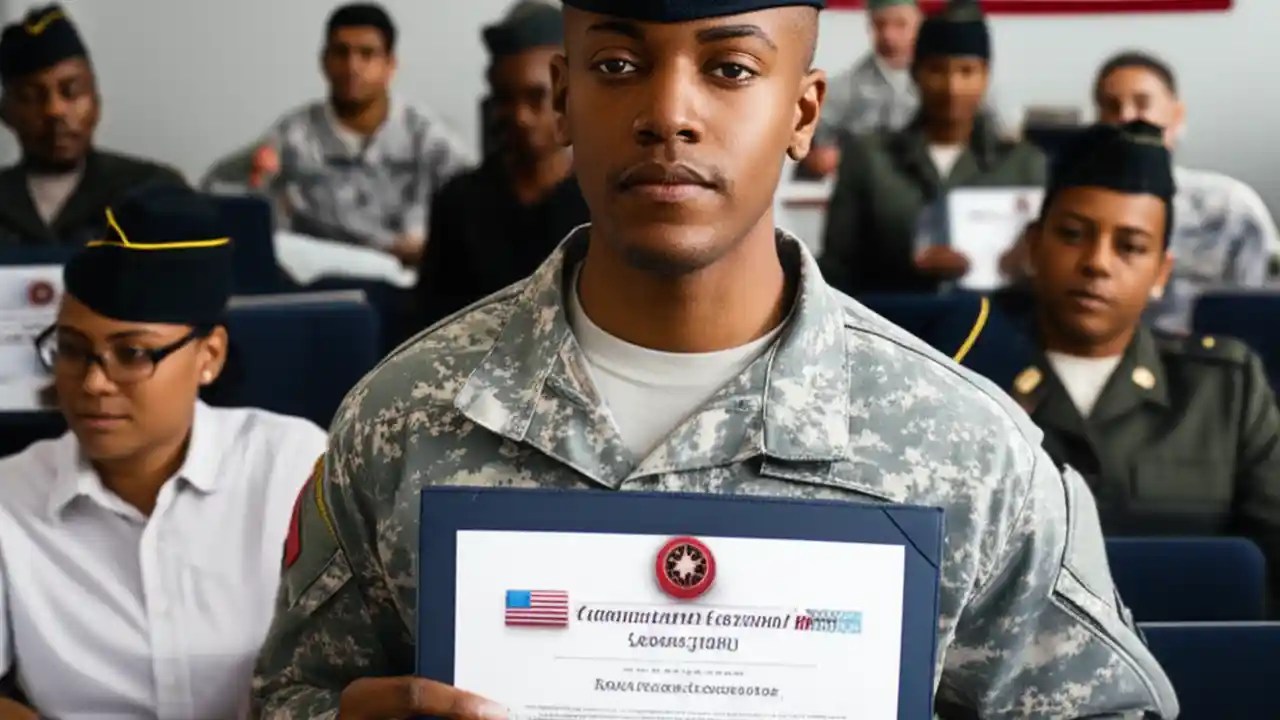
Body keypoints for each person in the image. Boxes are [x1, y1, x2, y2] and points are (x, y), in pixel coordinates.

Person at [252, 1, 1176, 718]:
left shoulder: (970, 451)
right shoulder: (403, 417)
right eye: (618, 66)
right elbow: (287, 693)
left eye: (730, 68)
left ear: (804, 111)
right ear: (563, 93)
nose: (668, 115)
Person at [0, 186, 327, 718]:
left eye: (131, 354)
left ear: (210, 356)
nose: (93, 382)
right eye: (72, 350)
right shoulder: (11, 498)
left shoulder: (290, 468)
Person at [983, 120, 1280, 609]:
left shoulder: (1224, 389)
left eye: (1131, 246)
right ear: (1034, 247)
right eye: (1074, 234)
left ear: (1161, 272)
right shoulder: (973, 378)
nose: (1098, 263)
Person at [819, 0, 1045, 295]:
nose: (952, 87)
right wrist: (904, 262)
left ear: (985, 76)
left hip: (992, 329)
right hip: (894, 325)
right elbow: (837, 268)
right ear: (916, 74)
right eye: (937, 70)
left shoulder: (1024, 164)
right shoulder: (870, 159)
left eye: (967, 71)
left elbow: (1044, 270)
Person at [415, 0, 589, 330]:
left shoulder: (601, 197)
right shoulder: (460, 202)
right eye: (505, 99)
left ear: (567, 92)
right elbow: (431, 325)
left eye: (536, 97)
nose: (519, 116)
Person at [260, 3, 474, 266]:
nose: (352, 66)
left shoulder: (428, 137)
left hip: (411, 286)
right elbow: (251, 210)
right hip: (318, 287)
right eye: (341, 52)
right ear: (324, 61)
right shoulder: (292, 138)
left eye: (367, 53)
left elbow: (473, 212)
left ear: (390, 64)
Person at [1093, 50, 1279, 335]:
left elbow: (1263, 313)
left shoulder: (1229, 207)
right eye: (1111, 107)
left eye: (1142, 103)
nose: (1127, 117)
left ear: (1177, 115)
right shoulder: (1075, 209)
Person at [0, 4, 185, 247]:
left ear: (96, 102)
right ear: (6, 113)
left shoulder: (155, 191)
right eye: (32, 97)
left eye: (71, 91)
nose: (55, 111)